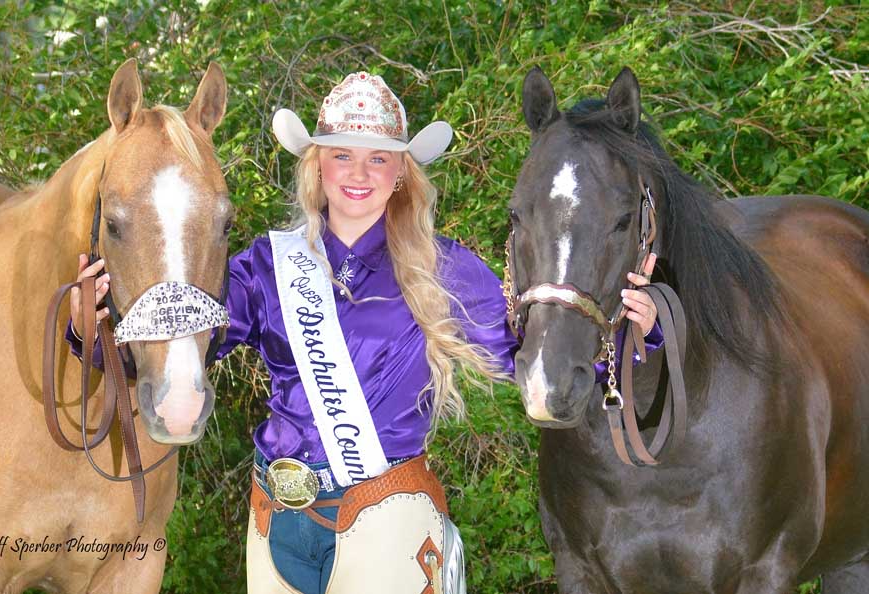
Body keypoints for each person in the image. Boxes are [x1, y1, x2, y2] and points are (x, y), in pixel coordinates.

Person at [66, 71, 662, 594]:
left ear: (400, 171)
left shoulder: (446, 269)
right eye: (341, 155)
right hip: (275, 518)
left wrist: (643, 337)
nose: (358, 173)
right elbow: (185, 352)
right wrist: (87, 335)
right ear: (317, 164)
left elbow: (536, 369)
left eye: (378, 157)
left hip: (387, 517)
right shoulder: (267, 266)